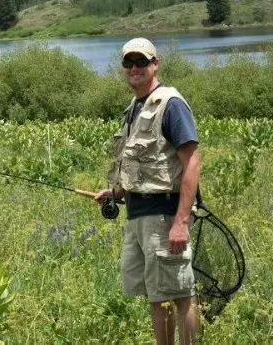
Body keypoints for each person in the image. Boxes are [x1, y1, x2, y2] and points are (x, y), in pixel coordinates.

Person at [95, 37, 200, 345]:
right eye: (129, 62)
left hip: (165, 217)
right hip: (138, 216)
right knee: (157, 296)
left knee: (180, 293)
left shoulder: (171, 104)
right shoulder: (135, 108)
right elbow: (146, 168)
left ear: (156, 64)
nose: (135, 68)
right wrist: (117, 193)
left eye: (142, 62)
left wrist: (181, 222)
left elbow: (192, 162)